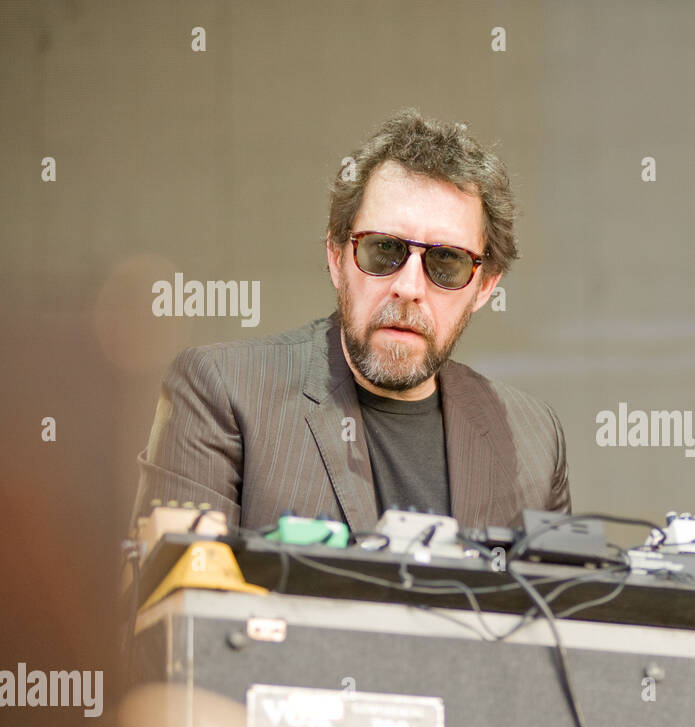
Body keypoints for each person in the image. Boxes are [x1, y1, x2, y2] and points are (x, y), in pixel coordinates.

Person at [131, 109, 570, 534]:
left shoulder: (535, 440)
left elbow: (560, 607)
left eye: (447, 262)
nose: (410, 287)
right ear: (337, 257)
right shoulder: (221, 391)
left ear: (485, 287)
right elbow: (176, 593)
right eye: (383, 250)